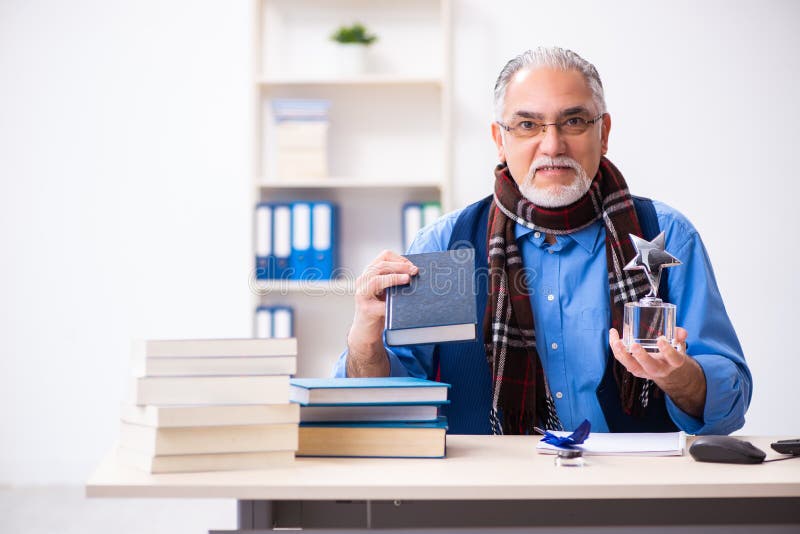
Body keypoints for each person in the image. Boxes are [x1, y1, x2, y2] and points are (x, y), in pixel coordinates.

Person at [333, 46, 751, 436]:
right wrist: (365, 341)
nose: (552, 145)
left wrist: (681, 378)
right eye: (528, 124)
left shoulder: (667, 235)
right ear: (500, 139)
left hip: (633, 496)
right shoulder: (446, 245)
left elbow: (729, 406)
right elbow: (384, 412)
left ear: (603, 132)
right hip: (484, 498)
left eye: (573, 121)